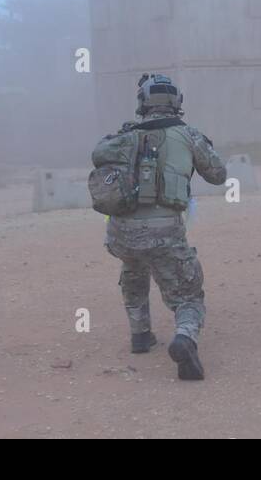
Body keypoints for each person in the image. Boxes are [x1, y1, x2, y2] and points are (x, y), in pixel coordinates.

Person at [97, 74, 227, 380]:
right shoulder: (188, 135)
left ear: (142, 103)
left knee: (133, 267)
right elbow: (219, 175)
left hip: (119, 233)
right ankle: (185, 338)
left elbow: (100, 163)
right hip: (164, 232)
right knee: (188, 295)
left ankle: (140, 334)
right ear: (177, 103)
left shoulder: (124, 136)